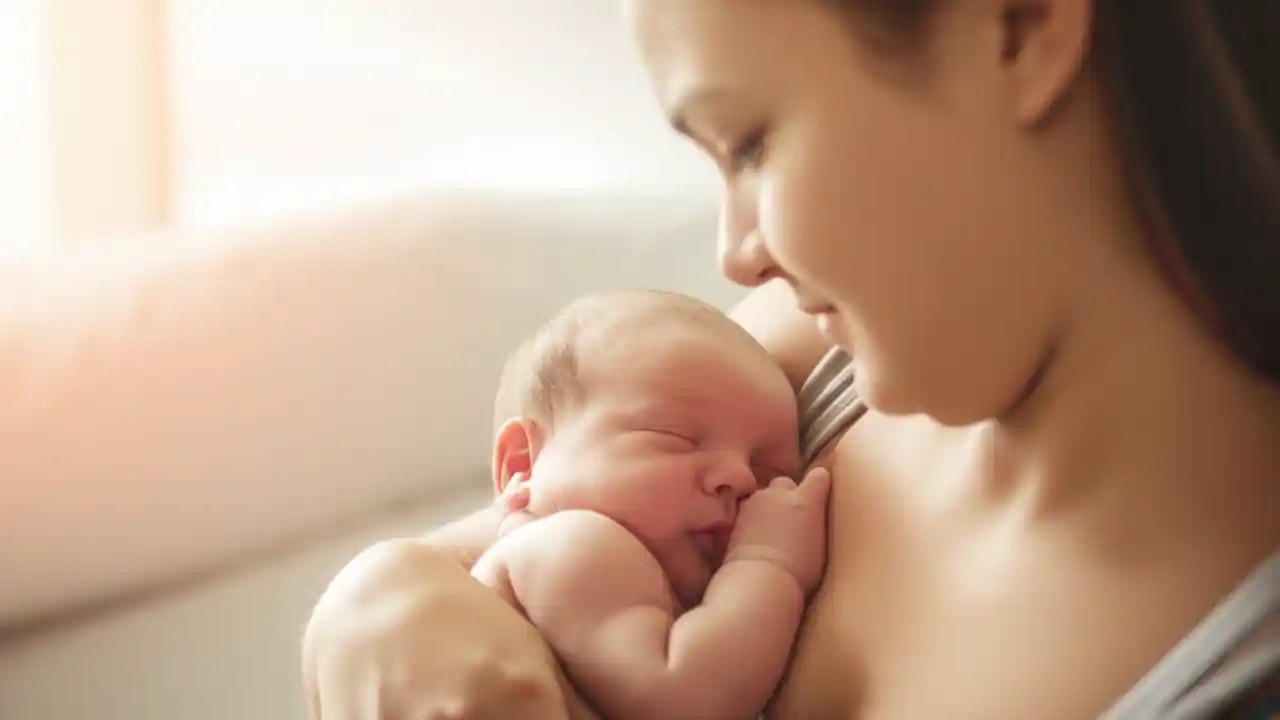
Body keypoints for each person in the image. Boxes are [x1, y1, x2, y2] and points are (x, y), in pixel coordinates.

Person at [303, 0, 1280, 717]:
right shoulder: (817, 349)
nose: (735, 249)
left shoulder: (1226, 665)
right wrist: (378, 602)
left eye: (750, 144)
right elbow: (530, 501)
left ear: (1018, 26)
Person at [471, 290, 828, 720]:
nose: (741, 478)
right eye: (676, 438)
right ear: (522, 463)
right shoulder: (568, 543)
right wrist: (768, 561)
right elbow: (687, 700)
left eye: (770, 472)